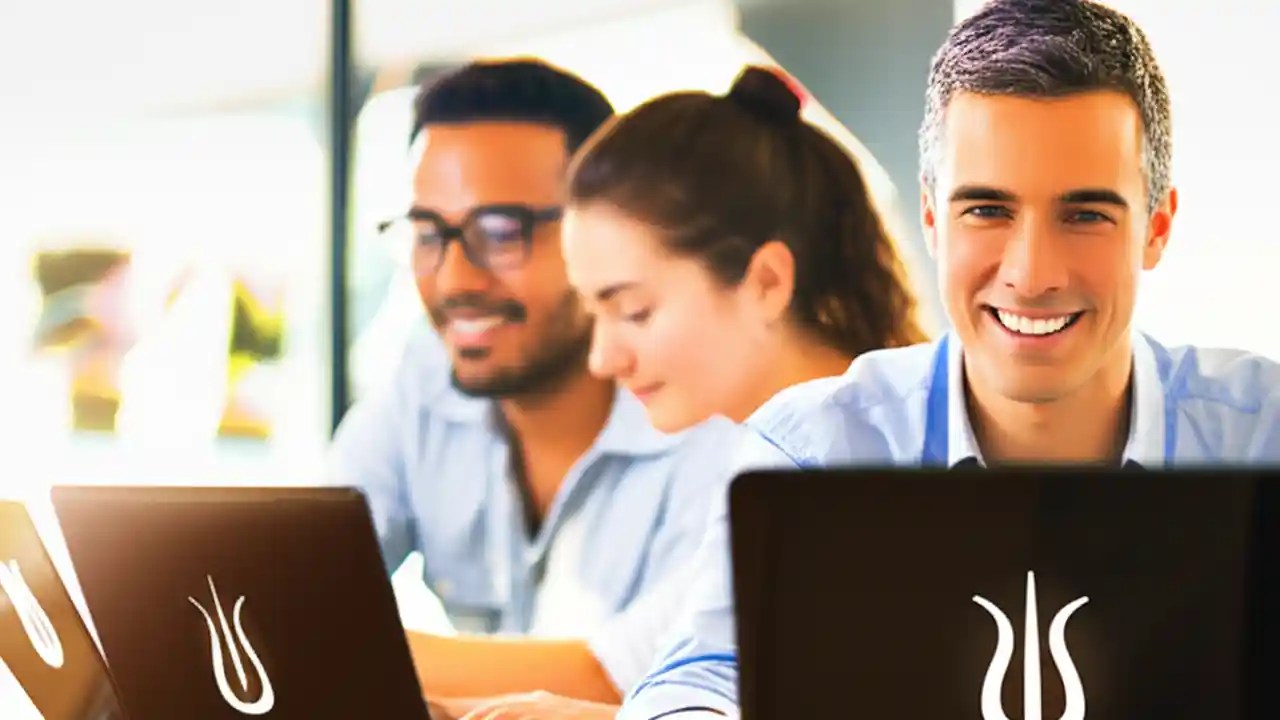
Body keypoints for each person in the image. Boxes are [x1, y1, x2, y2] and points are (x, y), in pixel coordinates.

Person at [618, 0, 1280, 717]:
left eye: (1086, 214)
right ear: (933, 219)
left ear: (1156, 228)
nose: (1031, 274)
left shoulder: (1262, 436)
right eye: (987, 210)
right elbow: (702, 678)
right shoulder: (818, 454)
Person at [452, 65, 929, 720]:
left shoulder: (874, 476)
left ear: (766, 282)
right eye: (595, 314)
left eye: (634, 311)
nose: (603, 359)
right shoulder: (769, 468)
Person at [326, 59, 735, 717]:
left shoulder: (712, 418)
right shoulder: (423, 383)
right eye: (428, 235)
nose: (455, 279)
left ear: (606, 233)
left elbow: (642, 677)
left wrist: (313, 642)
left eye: (500, 233)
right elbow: (295, 574)